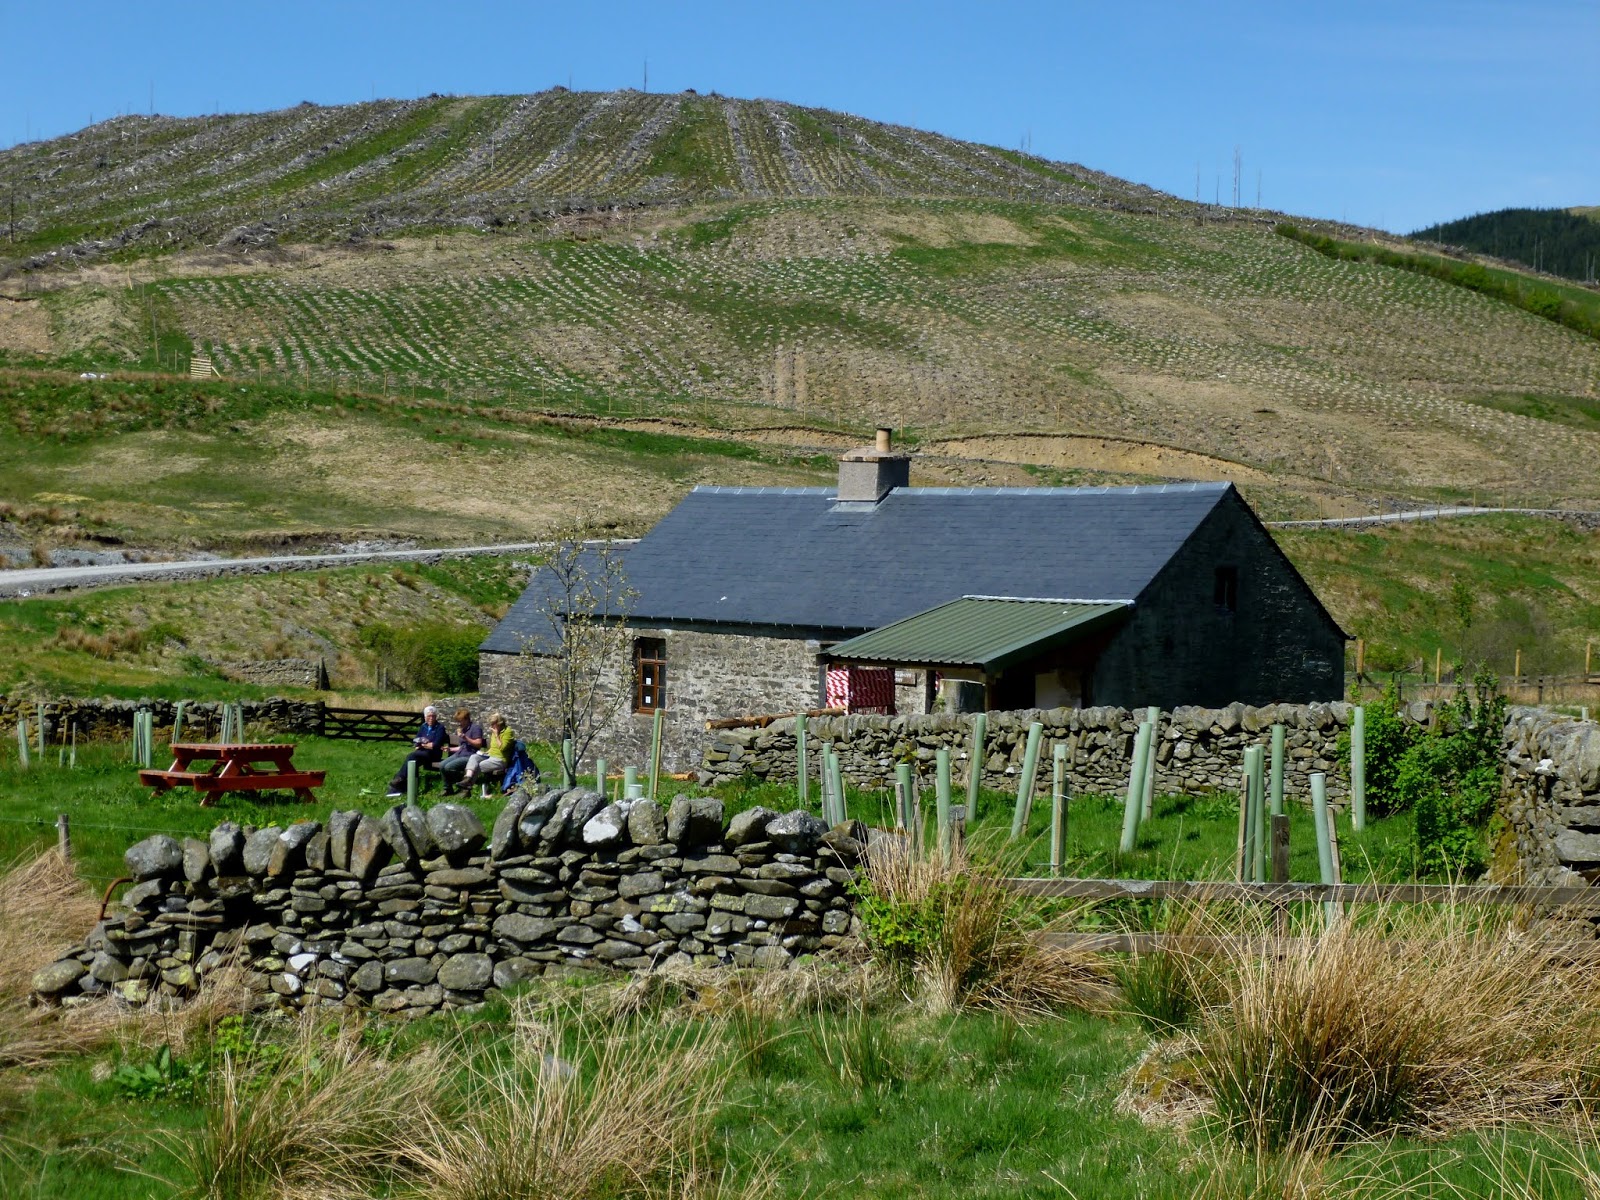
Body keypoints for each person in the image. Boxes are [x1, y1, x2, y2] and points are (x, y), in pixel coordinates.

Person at [386, 705, 447, 798]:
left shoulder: (440, 728)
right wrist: (422, 744)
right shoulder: (423, 726)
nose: (431, 718)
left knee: (412, 756)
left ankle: (399, 779)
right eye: (429, 716)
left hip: (434, 754)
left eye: (433, 716)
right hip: (422, 753)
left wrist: (422, 744)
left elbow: (436, 745)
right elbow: (416, 740)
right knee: (413, 762)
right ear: (425, 717)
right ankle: (403, 788)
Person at [461, 712, 515, 793]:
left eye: (493, 724)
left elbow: (502, 748)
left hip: (500, 760)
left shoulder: (508, 732)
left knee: (479, 765)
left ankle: (466, 789)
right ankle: (467, 779)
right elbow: (493, 747)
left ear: (499, 723)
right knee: (473, 757)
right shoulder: (495, 731)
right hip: (490, 756)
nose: (491, 726)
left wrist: (496, 735)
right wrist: (485, 752)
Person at [438, 707, 485, 795]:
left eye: (460, 721)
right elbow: (463, 746)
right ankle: (447, 788)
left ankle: (463, 783)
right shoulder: (463, 729)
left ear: (467, 719)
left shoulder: (475, 728)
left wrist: (465, 737)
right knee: (442, 765)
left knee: (448, 767)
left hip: (470, 756)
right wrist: (450, 749)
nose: (459, 723)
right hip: (460, 753)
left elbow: (478, 743)